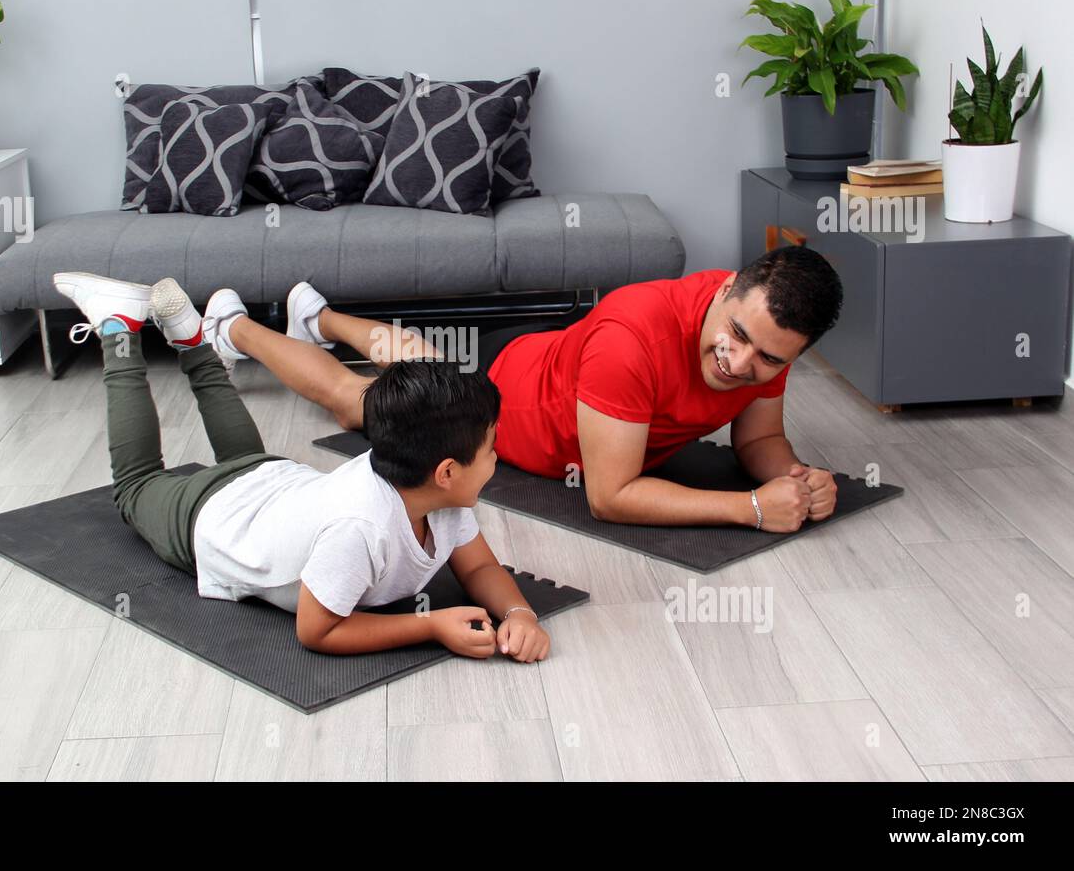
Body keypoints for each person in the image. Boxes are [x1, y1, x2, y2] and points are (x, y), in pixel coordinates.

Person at [52, 271, 550, 661]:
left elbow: (481, 565)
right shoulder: (360, 530)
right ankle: (119, 328)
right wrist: (429, 626)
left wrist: (518, 613)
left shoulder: (443, 499)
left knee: (244, 458)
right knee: (137, 484)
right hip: (209, 520)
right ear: (445, 471)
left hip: (271, 480)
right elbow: (318, 630)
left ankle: (192, 335)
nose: (496, 456)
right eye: (490, 448)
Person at [197, 246, 843, 533]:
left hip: (551, 360)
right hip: (507, 407)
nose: (740, 362)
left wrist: (794, 477)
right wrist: (750, 508)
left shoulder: (766, 330)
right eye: (735, 335)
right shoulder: (635, 338)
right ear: (727, 287)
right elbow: (610, 497)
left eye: (769, 358)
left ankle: (319, 317)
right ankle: (234, 328)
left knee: (425, 356)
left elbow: (758, 436)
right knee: (361, 400)